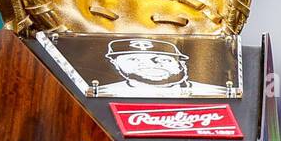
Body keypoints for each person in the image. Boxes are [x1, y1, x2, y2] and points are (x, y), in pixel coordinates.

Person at [94, 38, 228, 97]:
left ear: (181, 63)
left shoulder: (217, 93)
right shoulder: (99, 93)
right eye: (134, 59)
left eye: (164, 59)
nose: (151, 64)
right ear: (115, 63)